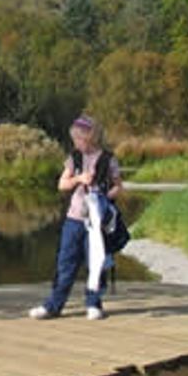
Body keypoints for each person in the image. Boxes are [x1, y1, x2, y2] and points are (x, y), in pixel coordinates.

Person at [29, 114, 123, 320]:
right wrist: (78, 178)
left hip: (97, 223)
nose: (77, 142)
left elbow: (118, 186)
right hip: (74, 220)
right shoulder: (74, 158)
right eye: (75, 139)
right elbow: (62, 184)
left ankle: (94, 304)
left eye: (80, 138)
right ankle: (53, 306)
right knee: (65, 263)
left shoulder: (108, 159)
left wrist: (104, 197)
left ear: (90, 137)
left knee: (96, 263)